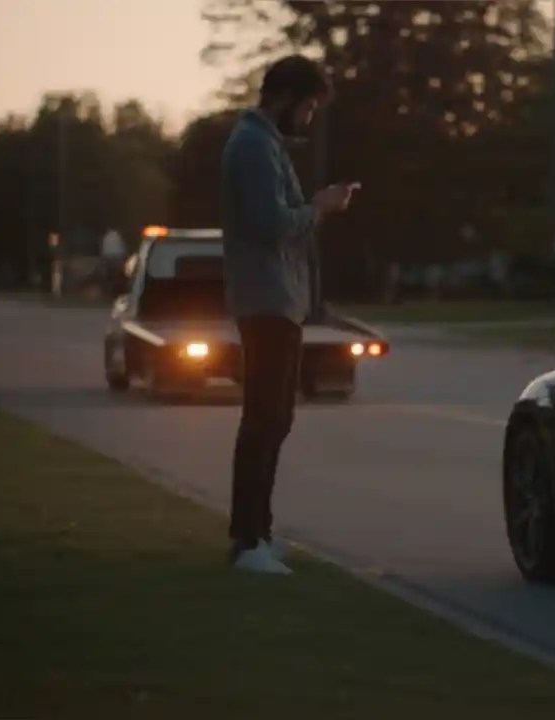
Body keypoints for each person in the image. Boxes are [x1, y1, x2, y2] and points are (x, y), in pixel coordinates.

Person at [220, 55, 357, 574]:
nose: (309, 118)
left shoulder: (264, 144)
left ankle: (260, 532)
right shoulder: (253, 146)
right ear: (282, 99)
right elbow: (268, 225)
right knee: (264, 418)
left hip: (280, 299)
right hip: (266, 298)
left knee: (276, 417)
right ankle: (246, 541)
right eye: (308, 107)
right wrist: (320, 207)